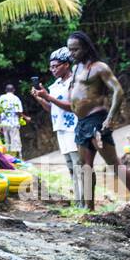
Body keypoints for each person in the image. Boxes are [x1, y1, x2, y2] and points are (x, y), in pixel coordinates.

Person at [32, 30, 130, 208]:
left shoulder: (99, 68)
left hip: (97, 120)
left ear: (85, 48)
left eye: (75, 50)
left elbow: (118, 91)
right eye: (70, 50)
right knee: (85, 166)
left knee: (113, 162)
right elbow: (71, 102)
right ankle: (88, 208)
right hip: (81, 123)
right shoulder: (75, 69)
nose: (72, 53)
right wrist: (46, 98)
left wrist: (110, 117)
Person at [32, 49, 79, 198]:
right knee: (70, 166)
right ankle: (79, 201)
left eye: (56, 66)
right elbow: (52, 108)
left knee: (78, 166)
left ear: (66, 65)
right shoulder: (56, 85)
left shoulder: (74, 82)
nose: (52, 70)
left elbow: (72, 106)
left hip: (74, 128)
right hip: (60, 128)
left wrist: (48, 97)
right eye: (51, 67)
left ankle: (85, 201)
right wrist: (41, 99)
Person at [0, 84, 23, 155]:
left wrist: (0, 124)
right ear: (14, 90)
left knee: (7, 142)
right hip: (14, 123)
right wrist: (25, 117)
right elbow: (19, 112)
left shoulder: (1, 98)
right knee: (15, 141)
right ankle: (18, 159)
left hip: (4, 123)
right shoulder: (16, 98)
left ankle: (9, 159)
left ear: (5, 90)